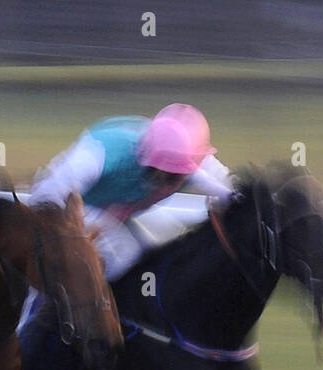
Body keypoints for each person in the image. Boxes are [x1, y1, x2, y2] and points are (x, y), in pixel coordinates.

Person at [28, 103, 234, 281]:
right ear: (149, 157)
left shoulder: (196, 158)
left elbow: (236, 193)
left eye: (179, 174)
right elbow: (46, 196)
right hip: (67, 204)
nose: (171, 182)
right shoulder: (98, 155)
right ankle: (58, 311)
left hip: (116, 213)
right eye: (164, 172)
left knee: (165, 247)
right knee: (126, 252)